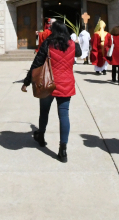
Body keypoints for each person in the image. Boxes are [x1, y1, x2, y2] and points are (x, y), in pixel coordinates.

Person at [22, 22, 82, 163]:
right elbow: (79, 53)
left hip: (48, 84)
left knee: (44, 112)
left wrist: (27, 80)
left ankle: (41, 136)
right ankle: (63, 149)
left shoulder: (48, 43)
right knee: (64, 115)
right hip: (66, 84)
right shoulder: (72, 44)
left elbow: (37, 63)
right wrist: (76, 41)